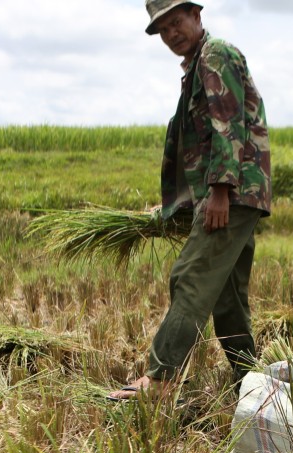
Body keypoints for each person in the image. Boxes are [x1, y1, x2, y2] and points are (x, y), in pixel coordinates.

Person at [108, 0, 271, 401]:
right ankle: (252, 384)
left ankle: (161, 380)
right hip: (234, 192)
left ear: (197, 15)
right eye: (162, 30)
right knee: (228, 298)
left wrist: (219, 191)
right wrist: (180, 206)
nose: (171, 34)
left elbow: (228, 125)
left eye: (176, 22)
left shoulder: (215, 55)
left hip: (232, 192)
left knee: (191, 276)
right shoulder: (198, 65)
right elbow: (199, 147)